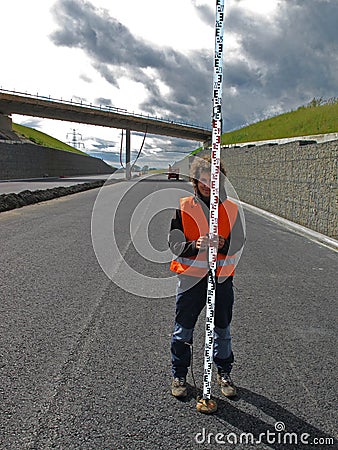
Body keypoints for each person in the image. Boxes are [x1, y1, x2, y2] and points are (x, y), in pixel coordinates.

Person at [168, 155, 245, 398]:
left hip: (221, 280)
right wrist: (194, 245)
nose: (207, 184)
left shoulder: (231, 209)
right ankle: (179, 374)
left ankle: (224, 372)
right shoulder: (183, 207)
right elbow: (174, 243)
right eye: (202, 179)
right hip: (191, 279)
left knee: (222, 329)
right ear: (195, 180)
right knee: (184, 329)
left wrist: (223, 244)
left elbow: (239, 243)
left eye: (212, 179)